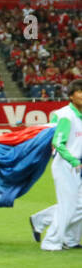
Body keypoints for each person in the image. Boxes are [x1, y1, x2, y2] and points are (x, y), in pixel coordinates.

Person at [33, 79, 82, 250]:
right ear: (71, 96)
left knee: (77, 205)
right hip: (67, 164)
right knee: (68, 206)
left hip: (77, 165)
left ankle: (67, 237)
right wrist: (73, 160)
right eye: (79, 92)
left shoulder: (78, 115)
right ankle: (51, 242)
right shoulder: (67, 116)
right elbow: (58, 142)